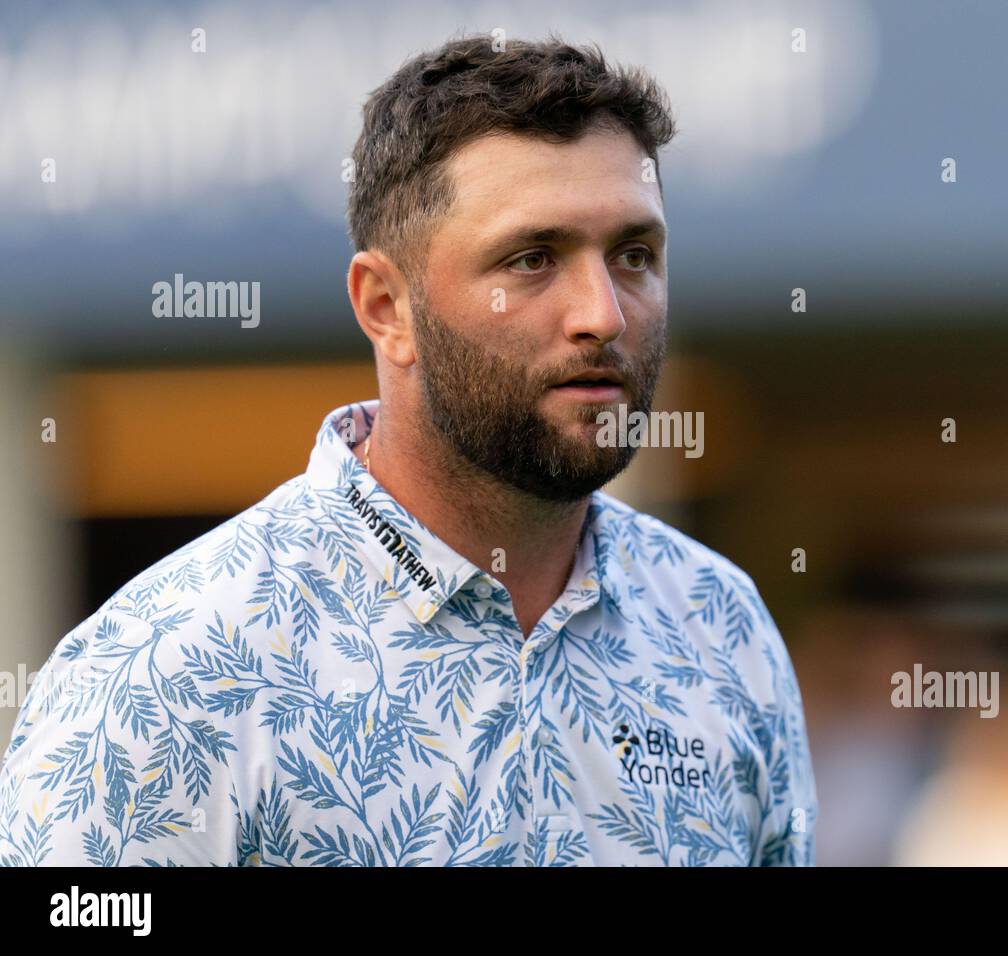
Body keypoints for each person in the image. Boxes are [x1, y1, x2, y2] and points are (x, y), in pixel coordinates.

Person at [0, 34, 815, 867]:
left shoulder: (720, 629)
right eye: (532, 259)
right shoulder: (167, 673)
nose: (603, 313)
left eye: (634, 255)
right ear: (387, 306)